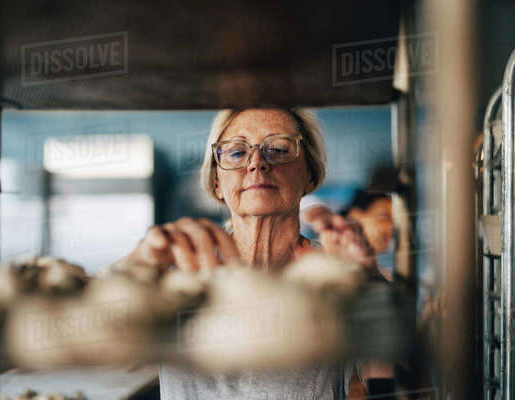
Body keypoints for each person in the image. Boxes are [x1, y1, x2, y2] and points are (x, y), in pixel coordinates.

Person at [120, 108, 385, 399]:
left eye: (279, 149)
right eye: (236, 152)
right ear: (217, 182)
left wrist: (371, 284)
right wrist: (137, 269)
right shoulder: (180, 272)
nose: (257, 163)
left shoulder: (335, 277)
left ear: (310, 174)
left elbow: (392, 382)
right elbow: (114, 355)